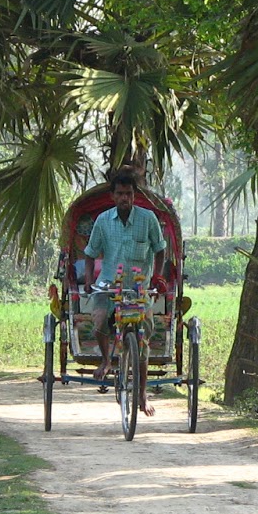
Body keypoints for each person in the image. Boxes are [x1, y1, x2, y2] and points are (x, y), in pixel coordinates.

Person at [83, 171, 167, 413]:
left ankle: (142, 394)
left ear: (134, 196)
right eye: (120, 194)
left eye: (128, 194)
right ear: (113, 196)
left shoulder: (148, 219)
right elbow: (90, 253)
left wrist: (157, 277)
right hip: (109, 284)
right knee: (98, 321)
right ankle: (106, 360)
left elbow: (160, 249)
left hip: (138, 287)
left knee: (143, 337)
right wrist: (89, 280)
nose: (124, 198)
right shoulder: (103, 221)